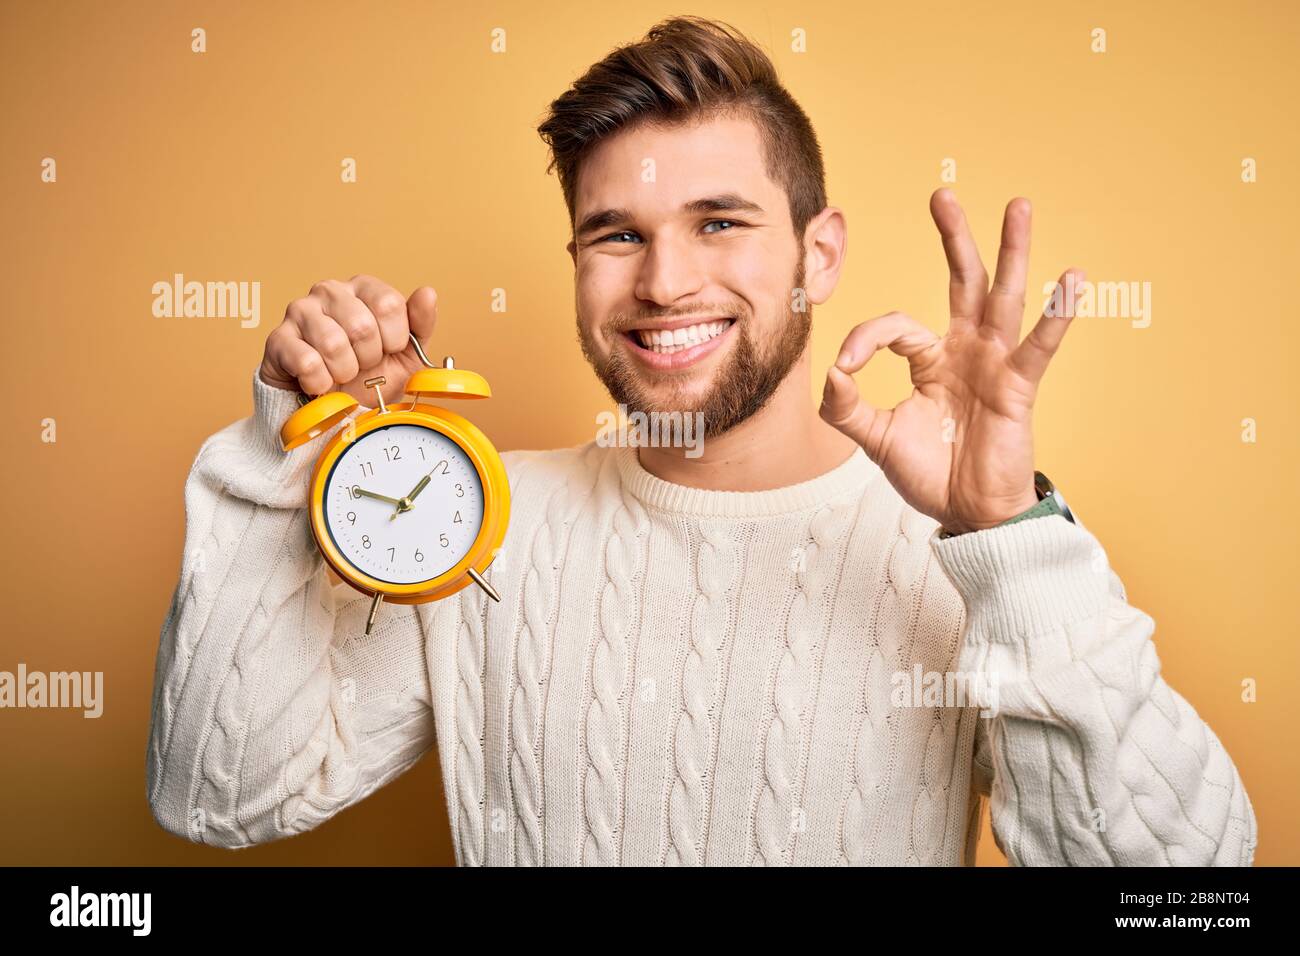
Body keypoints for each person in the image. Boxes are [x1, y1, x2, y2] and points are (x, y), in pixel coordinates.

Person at [146, 15, 1256, 866]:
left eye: (718, 222)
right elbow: (219, 795)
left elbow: (1182, 886)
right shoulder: (478, 521)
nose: (665, 281)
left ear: (817, 256)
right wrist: (284, 441)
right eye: (617, 234)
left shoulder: (963, 553)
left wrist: (1007, 535)